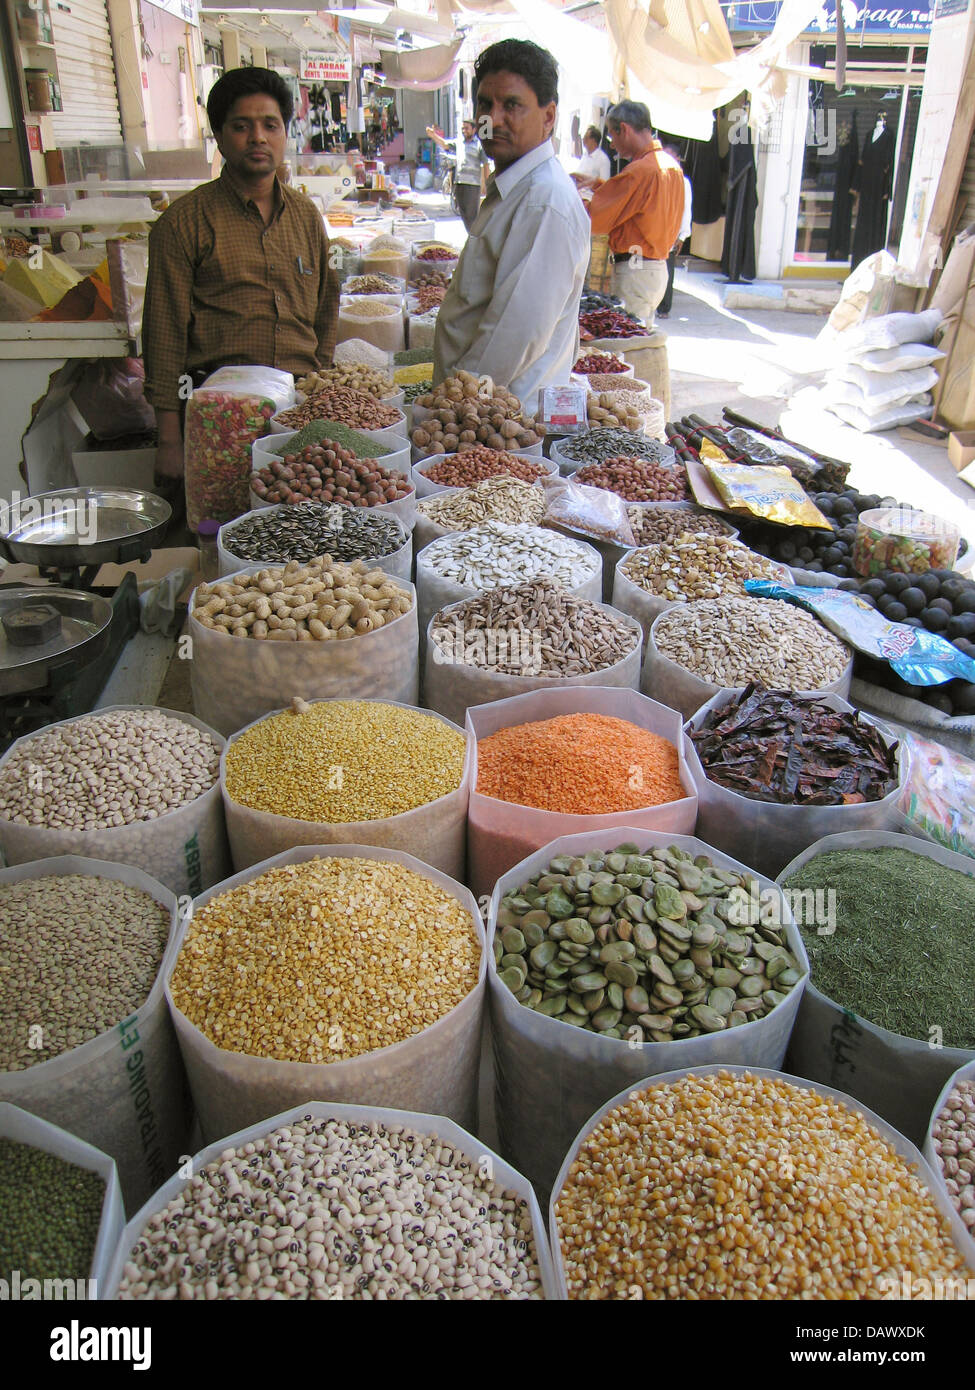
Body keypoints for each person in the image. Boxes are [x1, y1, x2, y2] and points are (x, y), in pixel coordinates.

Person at [143, 67, 340, 481]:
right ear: (219, 134)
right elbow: (164, 335)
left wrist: (318, 385)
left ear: (286, 133)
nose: (258, 138)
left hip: (301, 411)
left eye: (270, 125)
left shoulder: (305, 216)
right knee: (223, 531)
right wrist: (169, 442)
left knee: (307, 532)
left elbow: (326, 306)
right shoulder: (183, 223)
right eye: (241, 126)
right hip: (219, 415)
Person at [433, 39, 590, 411]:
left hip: (494, 420)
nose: (493, 119)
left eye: (512, 105)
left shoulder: (543, 201)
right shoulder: (515, 188)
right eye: (485, 104)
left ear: (548, 117)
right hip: (482, 414)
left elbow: (513, 336)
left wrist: (449, 408)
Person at [586, 101, 685, 331]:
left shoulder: (641, 171)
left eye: (612, 135)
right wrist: (600, 186)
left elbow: (595, 218)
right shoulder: (671, 167)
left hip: (635, 269)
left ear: (625, 129)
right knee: (637, 339)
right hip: (656, 269)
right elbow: (642, 205)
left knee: (626, 346)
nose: (612, 144)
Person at [426, 119, 490, 231]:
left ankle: (475, 240)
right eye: (462, 128)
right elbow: (445, 144)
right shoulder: (459, 143)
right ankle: (471, 237)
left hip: (472, 185)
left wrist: (487, 184)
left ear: (474, 130)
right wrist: (433, 136)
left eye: (467, 128)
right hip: (459, 183)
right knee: (463, 212)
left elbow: (486, 165)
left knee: (472, 216)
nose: (464, 131)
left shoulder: (479, 145)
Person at [657, 146, 693, 319]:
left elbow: (687, 209)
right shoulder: (659, 176)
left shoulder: (683, 182)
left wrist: (683, 235)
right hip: (656, 230)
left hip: (671, 232)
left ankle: (664, 307)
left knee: (667, 271)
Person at [570, 125, 611, 203]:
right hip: (578, 194)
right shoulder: (585, 155)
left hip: (590, 198)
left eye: (586, 138)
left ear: (593, 140)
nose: (583, 140)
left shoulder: (603, 159)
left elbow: (604, 184)